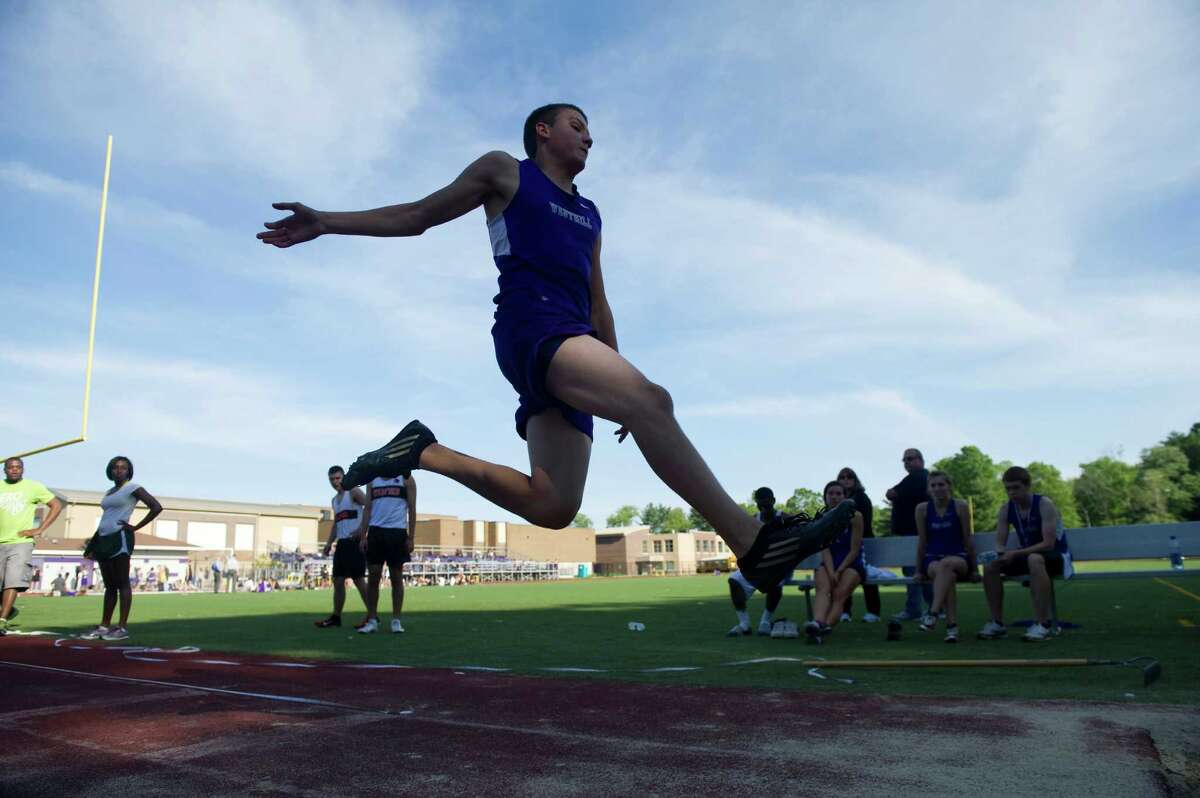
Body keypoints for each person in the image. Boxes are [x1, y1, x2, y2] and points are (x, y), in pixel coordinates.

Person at [257, 103, 853, 593]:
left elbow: (599, 303)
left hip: (577, 343)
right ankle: (754, 543)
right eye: (577, 125)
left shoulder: (590, 214)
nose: (589, 137)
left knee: (553, 506)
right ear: (543, 131)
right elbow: (416, 215)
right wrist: (328, 221)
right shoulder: (506, 172)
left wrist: (621, 379)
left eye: (590, 131)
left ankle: (427, 451)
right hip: (531, 327)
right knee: (657, 401)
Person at [978, 466, 1072, 643]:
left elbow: (1048, 543)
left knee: (1035, 559)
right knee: (990, 565)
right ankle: (997, 623)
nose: (1011, 492)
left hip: (1056, 556)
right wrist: (999, 554)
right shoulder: (1006, 509)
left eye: (1016, 487)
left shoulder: (1045, 504)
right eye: (1008, 488)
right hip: (1028, 556)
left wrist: (1014, 553)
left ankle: (1042, 624)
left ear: (1027, 486)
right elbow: (1000, 540)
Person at [80, 456, 163, 641]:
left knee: (122, 583)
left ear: (129, 471)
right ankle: (104, 625)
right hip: (103, 539)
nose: (119, 470)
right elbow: (107, 516)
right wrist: (94, 542)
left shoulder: (133, 488)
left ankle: (122, 627)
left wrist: (135, 527)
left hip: (120, 538)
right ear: (110, 471)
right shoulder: (109, 491)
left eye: (123, 467)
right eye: (115, 467)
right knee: (110, 586)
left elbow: (156, 507)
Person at [1, 457, 64, 632]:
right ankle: (9, 608)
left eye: (18, 467)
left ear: (23, 469)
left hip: (21, 541)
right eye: (11, 467)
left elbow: (56, 505)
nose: (14, 470)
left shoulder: (33, 487)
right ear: (4, 470)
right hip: (0, 541)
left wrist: (40, 528)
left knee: (12, 581)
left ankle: (2, 619)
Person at [913, 471, 976, 643]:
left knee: (947, 565)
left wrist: (976, 569)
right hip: (932, 559)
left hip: (959, 558)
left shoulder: (960, 506)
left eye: (941, 484)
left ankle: (932, 613)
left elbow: (968, 539)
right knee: (946, 573)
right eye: (933, 485)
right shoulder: (922, 509)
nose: (937, 488)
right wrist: (918, 570)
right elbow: (922, 542)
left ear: (949, 486)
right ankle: (951, 628)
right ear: (929, 489)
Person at [357, 472, 417, 634]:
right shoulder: (372, 480)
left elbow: (412, 509)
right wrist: (363, 535)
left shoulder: (406, 479)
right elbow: (367, 508)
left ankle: (396, 620)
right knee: (373, 577)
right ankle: (372, 620)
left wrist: (411, 538)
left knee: (396, 577)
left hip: (397, 533)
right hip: (376, 533)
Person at [725, 487, 787, 637]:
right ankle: (744, 624)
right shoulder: (753, 520)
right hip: (757, 565)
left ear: (773, 501)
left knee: (775, 581)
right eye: (760, 504)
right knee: (734, 580)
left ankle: (765, 622)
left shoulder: (785, 518)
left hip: (780, 565)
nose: (764, 507)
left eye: (767, 503)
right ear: (757, 504)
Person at [806, 481, 865, 638]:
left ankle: (823, 627)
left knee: (839, 594)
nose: (834, 497)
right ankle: (818, 623)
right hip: (828, 564)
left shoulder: (856, 517)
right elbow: (824, 550)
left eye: (838, 494)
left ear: (845, 497)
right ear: (825, 497)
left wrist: (839, 571)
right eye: (830, 493)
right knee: (822, 589)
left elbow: (854, 550)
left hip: (851, 563)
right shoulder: (822, 518)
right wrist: (831, 572)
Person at [314, 465, 371, 629]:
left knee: (358, 579)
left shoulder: (352, 491)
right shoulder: (335, 500)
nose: (335, 481)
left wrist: (362, 530)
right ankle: (336, 617)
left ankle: (372, 615)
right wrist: (328, 543)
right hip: (342, 544)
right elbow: (336, 524)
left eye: (338, 478)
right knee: (338, 580)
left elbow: (370, 505)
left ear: (344, 477)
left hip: (355, 543)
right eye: (332, 479)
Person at [886, 448, 932, 621]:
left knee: (914, 572)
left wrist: (893, 493)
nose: (906, 462)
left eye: (910, 459)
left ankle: (914, 610)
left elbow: (892, 493)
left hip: (914, 535)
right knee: (921, 572)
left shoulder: (918, 476)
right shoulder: (916, 478)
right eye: (904, 460)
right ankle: (935, 607)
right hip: (914, 534)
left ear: (921, 460)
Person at [837, 467, 880, 623]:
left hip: (864, 541)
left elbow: (865, 523)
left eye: (849, 477)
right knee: (844, 575)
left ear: (855, 480)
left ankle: (873, 612)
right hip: (843, 543)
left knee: (867, 575)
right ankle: (844, 611)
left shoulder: (861, 498)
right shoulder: (837, 498)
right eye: (842, 477)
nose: (846, 479)